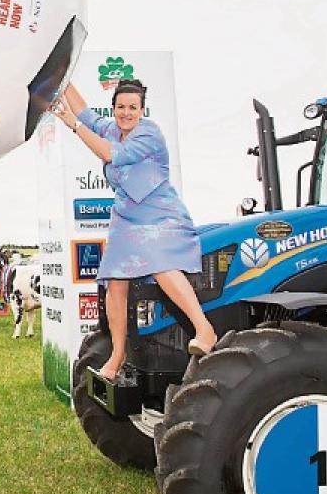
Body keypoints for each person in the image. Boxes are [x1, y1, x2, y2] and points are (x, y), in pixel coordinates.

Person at [51, 80, 217, 380]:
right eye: (121, 107)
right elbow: (85, 112)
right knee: (114, 281)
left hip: (158, 214)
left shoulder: (149, 133)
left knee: (161, 263)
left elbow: (109, 154)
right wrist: (62, 77)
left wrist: (72, 125)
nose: (126, 112)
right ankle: (117, 354)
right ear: (114, 108)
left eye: (132, 107)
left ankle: (204, 329)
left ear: (141, 110)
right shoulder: (111, 128)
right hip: (127, 216)